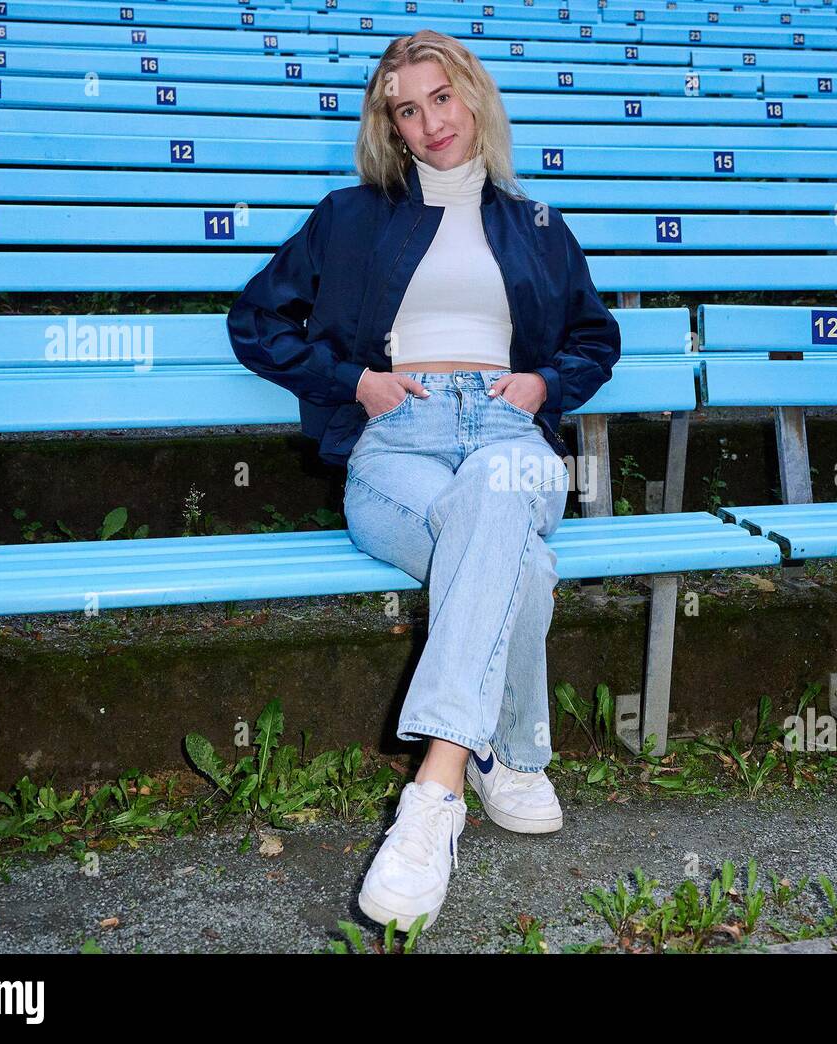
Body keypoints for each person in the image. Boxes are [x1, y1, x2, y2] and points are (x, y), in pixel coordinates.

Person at [227, 29, 621, 930]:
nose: (429, 121)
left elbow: (596, 339)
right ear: (392, 127)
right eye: (406, 108)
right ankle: (511, 756)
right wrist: (354, 383)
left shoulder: (537, 225)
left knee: (498, 496)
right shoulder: (349, 215)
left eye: (441, 98)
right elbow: (256, 320)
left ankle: (432, 795)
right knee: (521, 563)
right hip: (397, 441)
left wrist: (542, 385)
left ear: (473, 97)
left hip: (508, 431)